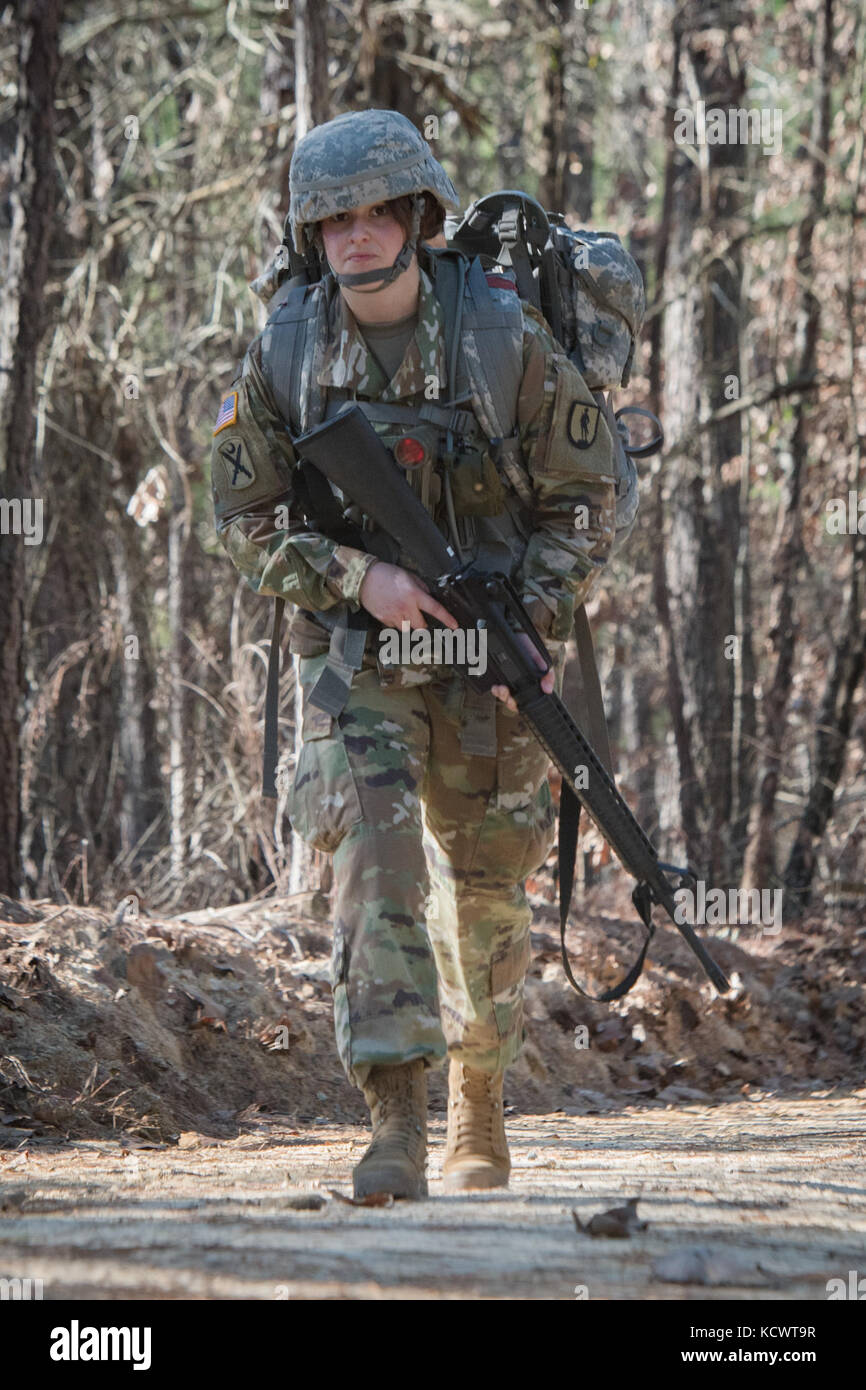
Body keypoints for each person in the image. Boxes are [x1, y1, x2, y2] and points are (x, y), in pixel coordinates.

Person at [210, 109, 616, 1199]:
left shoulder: (497, 339)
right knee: (375, 854)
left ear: (414, 213)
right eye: (331, 217)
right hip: (358, 656)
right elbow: (242, 517)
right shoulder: (286, 348)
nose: (353, 234)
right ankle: (393, 1116)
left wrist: (523, 623)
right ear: (311, 233)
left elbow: (585, 498)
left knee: (485, 887)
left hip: (491, 649)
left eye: (375, 210)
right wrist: (361, 580)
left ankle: (477, 1102)